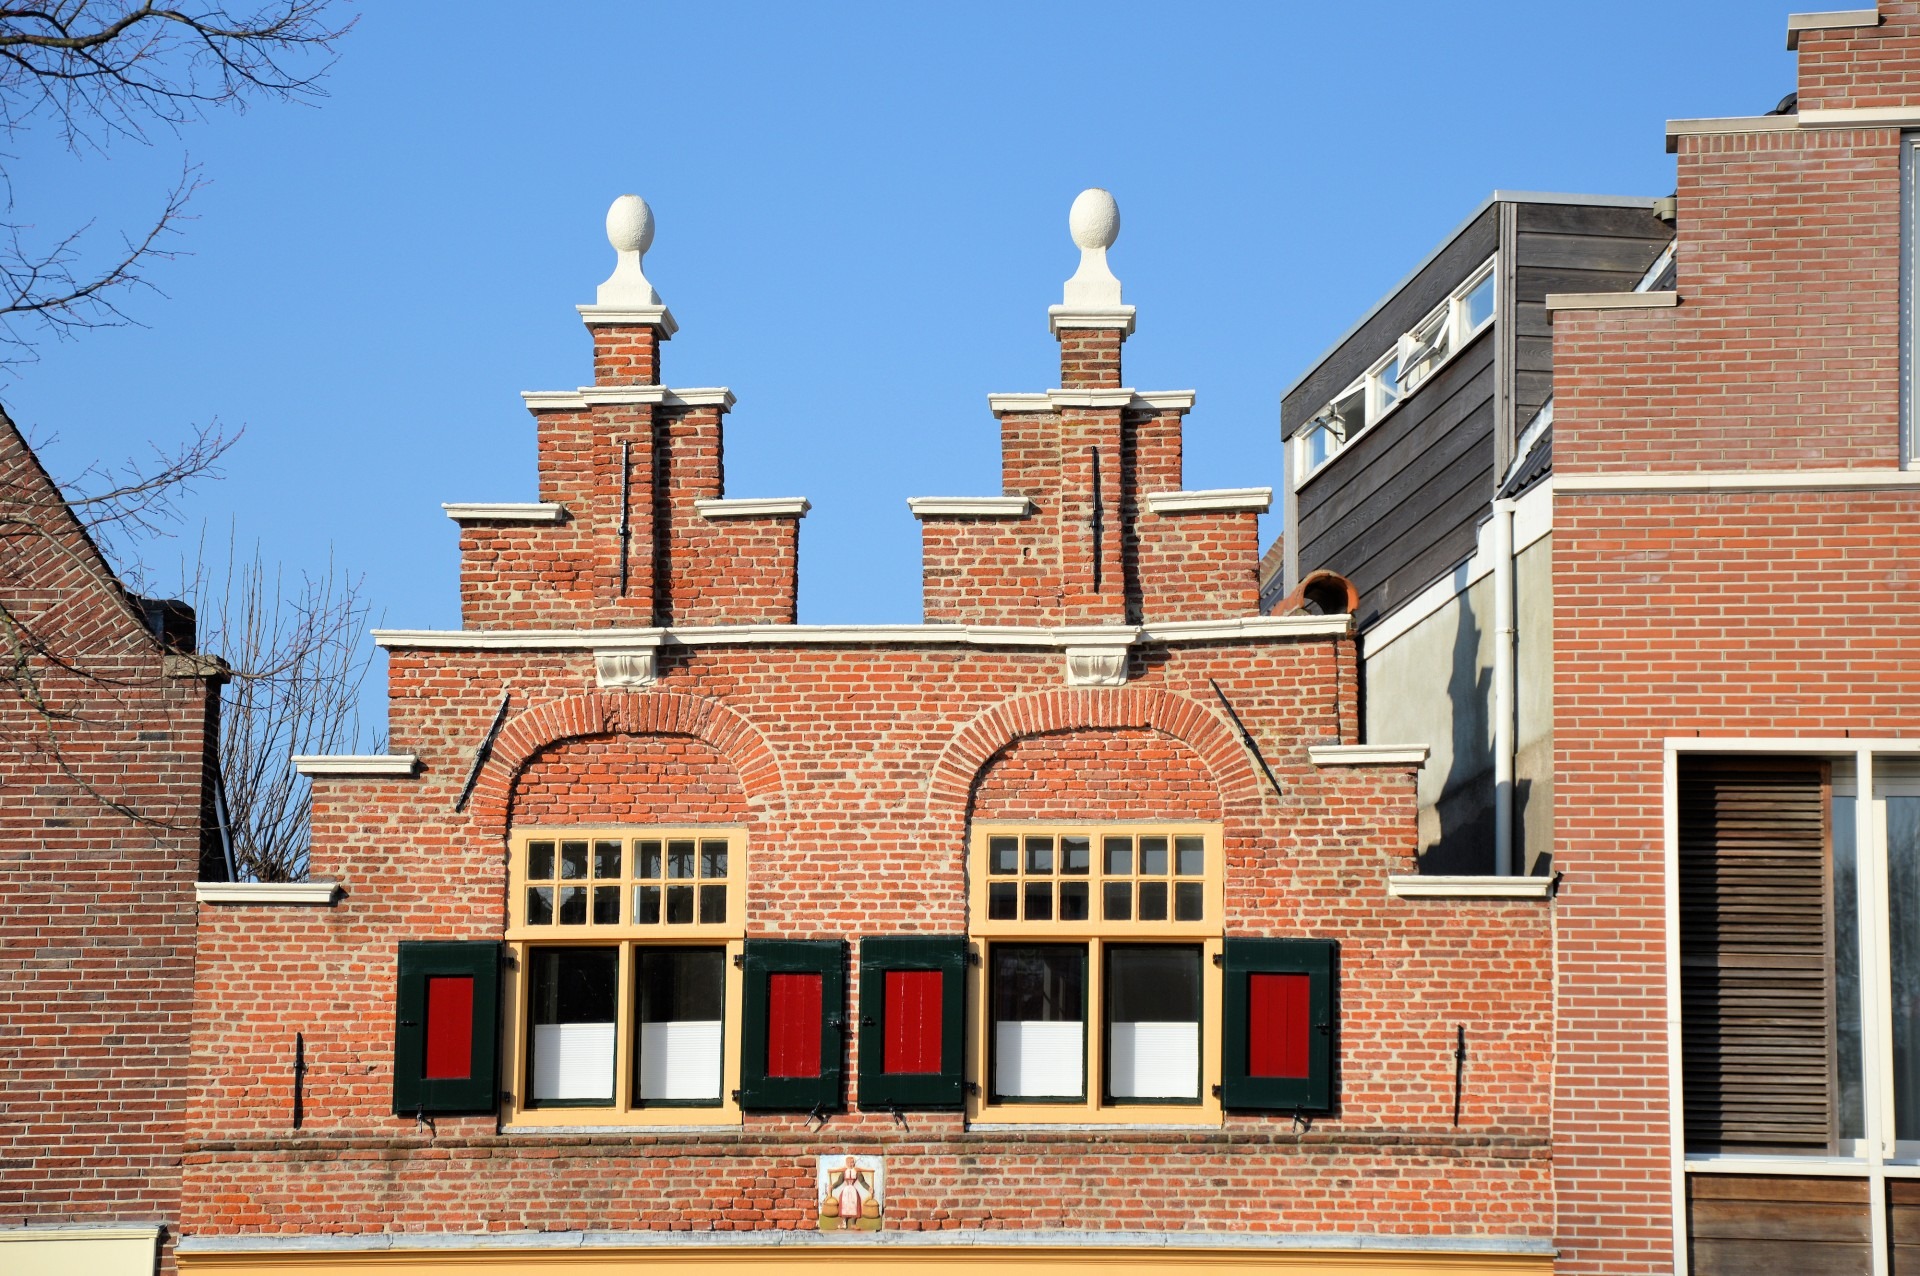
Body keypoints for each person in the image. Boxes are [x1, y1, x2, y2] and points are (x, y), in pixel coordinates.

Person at [827, 1156, 869, 1229]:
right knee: (845, 1205)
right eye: (849, 1162)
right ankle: (844, 1224)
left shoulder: (857, 1172)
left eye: (852, 1162)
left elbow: (862, 1182)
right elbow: (839, 1181)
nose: (850, 1164)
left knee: (854, 1205)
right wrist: (832, 1186)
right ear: (846, 1163)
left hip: (853, 1191)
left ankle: (853, 1224)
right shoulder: (844, 1172)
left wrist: (869, 1188)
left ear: (854, 1163)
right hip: (846, 1192)